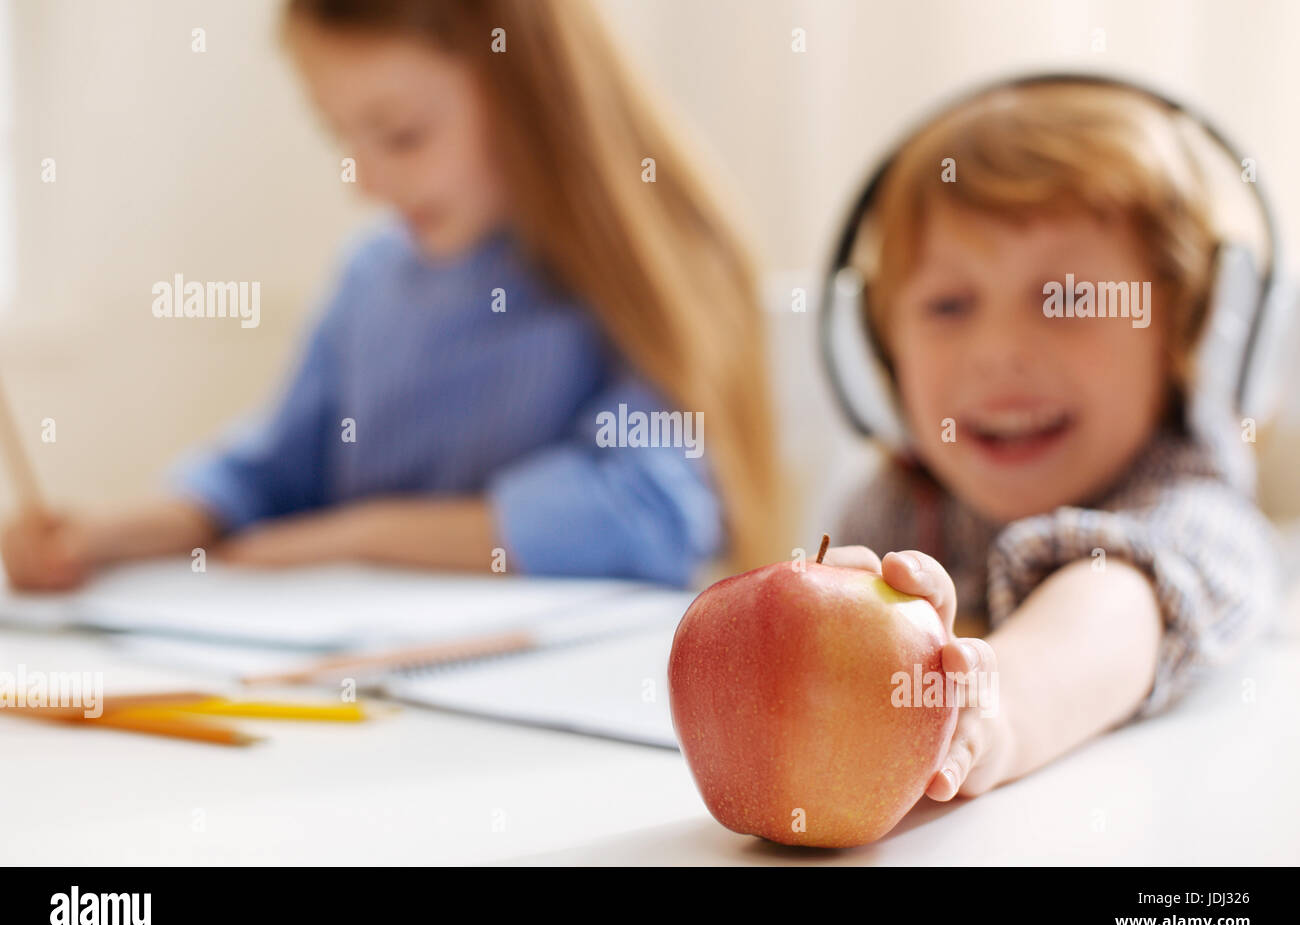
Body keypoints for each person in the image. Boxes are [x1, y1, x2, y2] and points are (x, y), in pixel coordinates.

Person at [1, 0, 781, 591]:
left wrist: (353, 536)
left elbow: (646, 512)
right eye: (340, 137)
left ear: (532, 93)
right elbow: (268, 473)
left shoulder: (647, 269)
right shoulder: (373, 275)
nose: (365, 182)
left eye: (402, 134)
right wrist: (103, 537)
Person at [826, 80, 1280, 801]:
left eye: (1068, 299)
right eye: (948, 305)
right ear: (882, 349)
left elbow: (1117, 603)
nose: (1000, 352)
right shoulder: (889, 512)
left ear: (1183, 337)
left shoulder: (1197, 513)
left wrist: (992, 712)